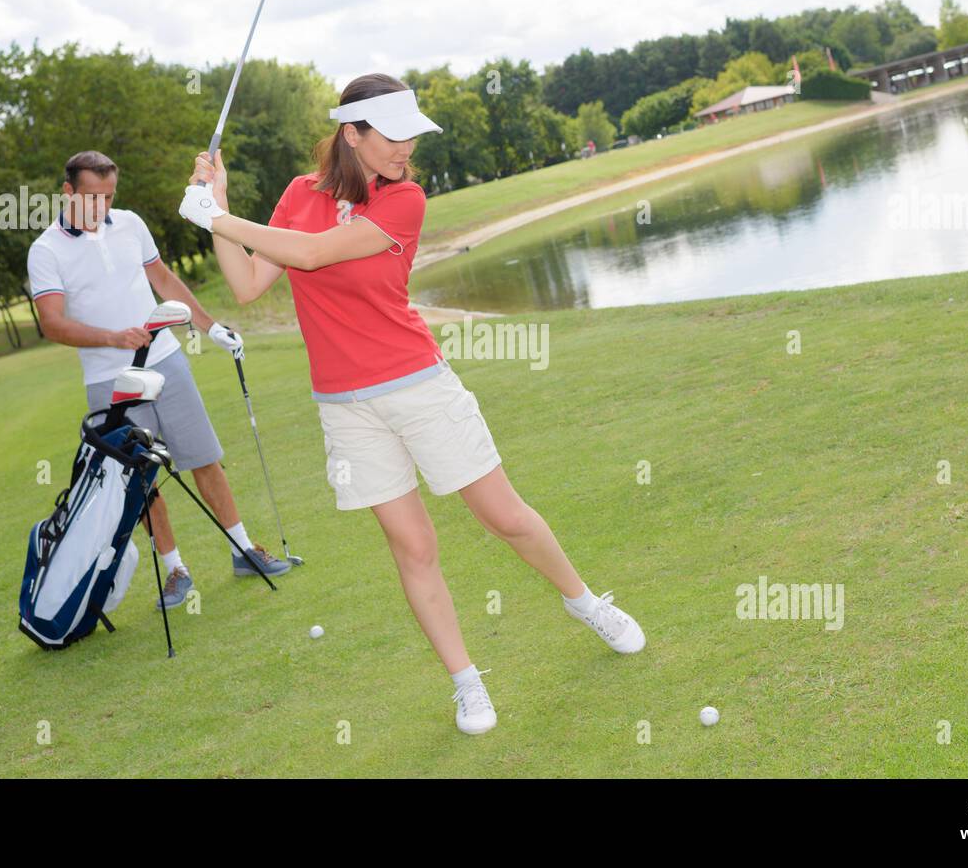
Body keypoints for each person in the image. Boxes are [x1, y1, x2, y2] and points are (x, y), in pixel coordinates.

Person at [177, 75, 645, 735]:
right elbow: (250, 284)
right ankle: (466, 682)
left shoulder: (405, 200)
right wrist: (217, 204)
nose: (407, 147)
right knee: (412, 545)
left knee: (504, 516)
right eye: (393, 134)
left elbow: (313, 253)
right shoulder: (297, 196)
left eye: (412, 134)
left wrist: (215, 218)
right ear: (352, 133)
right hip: (344, 404)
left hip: (417, 384)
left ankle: (586, 602)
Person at [28, 150, 292, 610]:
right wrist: (113, 337)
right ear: (68, 192)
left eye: (109, 196)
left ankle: (242, 549)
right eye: (92, 197)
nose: (102, 207)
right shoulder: (46, 250)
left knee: (205, 458)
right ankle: (176, 571)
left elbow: (163, 279)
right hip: (110, 381)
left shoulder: (130, 223)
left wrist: (211, 327)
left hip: (165, 360)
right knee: (140, 482)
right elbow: (51, 323)